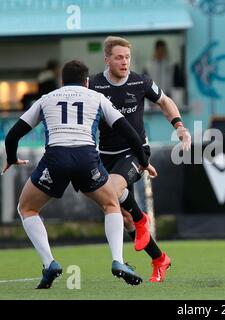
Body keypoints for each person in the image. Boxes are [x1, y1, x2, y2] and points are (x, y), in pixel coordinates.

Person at [2, 60, 158, 289]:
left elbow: (13, 135)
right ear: (87, 82)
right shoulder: (97, 98)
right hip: (87, 159)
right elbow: (131, 134)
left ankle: (50, 263)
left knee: (26, 208)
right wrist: (144, 162)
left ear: (61, 81)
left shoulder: (47, 99)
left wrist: (12, 158)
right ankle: (118, 260)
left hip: (56, 159)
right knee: (111, 205)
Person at [89, 36, 191, 282]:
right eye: (118, 57)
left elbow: (165, 102)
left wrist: (180, 128)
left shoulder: (140, 81)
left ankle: (141, 218)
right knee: (122, 217)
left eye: (127, 57)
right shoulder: (93, 85)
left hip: (136, 153)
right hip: (106, 156)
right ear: (107, 59)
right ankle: (159, 258)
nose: (124, 62)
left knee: (112, 191)